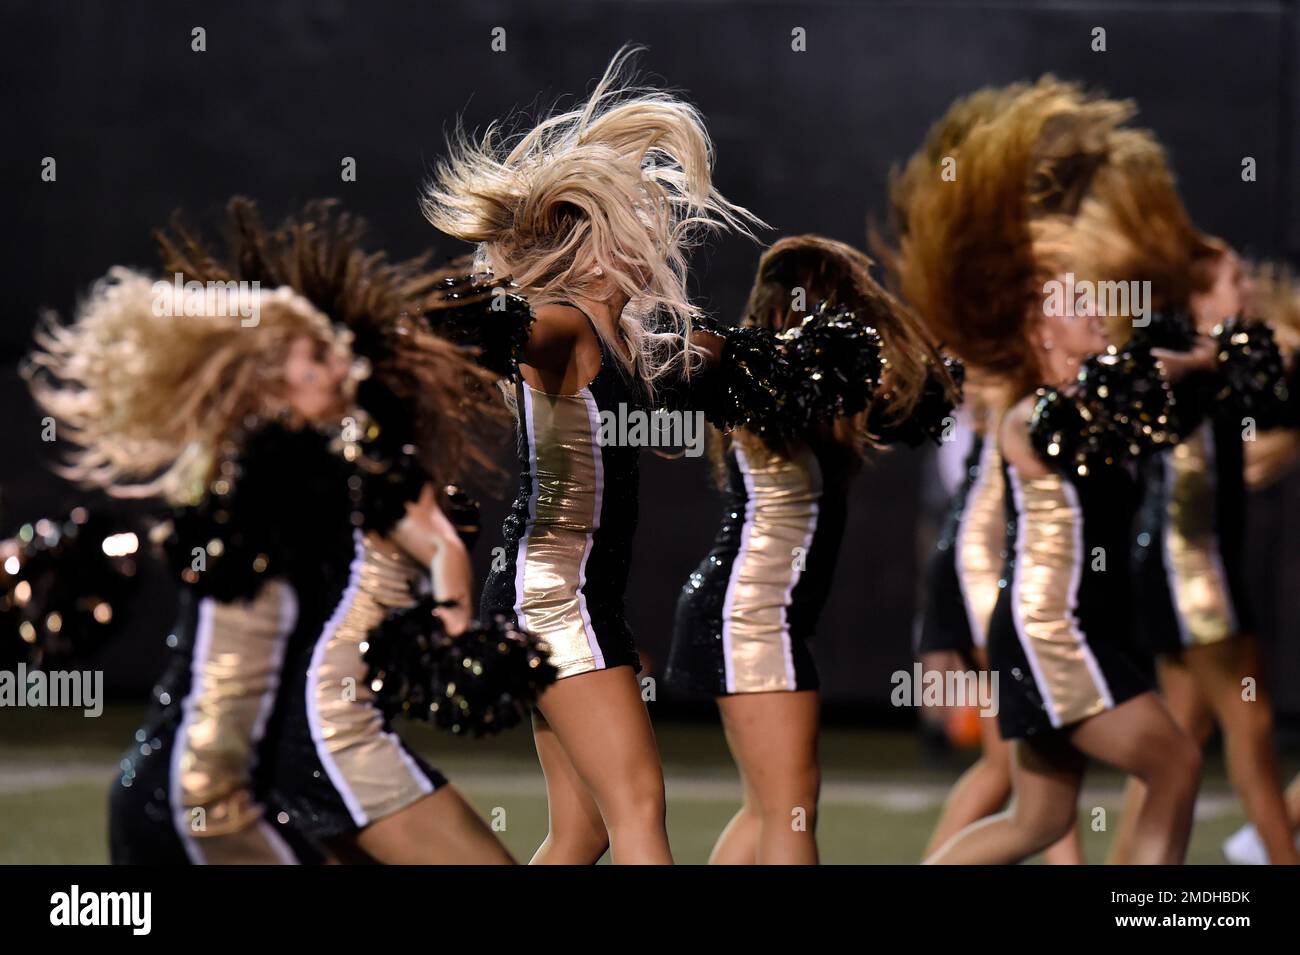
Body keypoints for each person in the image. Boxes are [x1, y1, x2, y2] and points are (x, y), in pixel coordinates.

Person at [28, 199, 549, 864]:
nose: (342, 365)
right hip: (202, 802)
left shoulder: (311, 475)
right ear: (268, 385)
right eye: (316, 359)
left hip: (217, 785)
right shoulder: (261, 482)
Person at [892, 81, 1204, 864]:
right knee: (1174, 760)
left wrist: (1209, 360)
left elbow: (1150, 379)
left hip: (1066, 626)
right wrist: (1209, 359)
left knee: (1035, 820)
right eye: (1077, 303)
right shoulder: (1033, 414)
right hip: (1050, 630)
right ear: (1037, 327)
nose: (1097, 313)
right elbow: (1141, 384)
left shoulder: (1086, 393)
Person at [666, 235, 958, 864]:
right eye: (845, 302)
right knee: (792, 808)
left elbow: (922, 394)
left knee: (774, 807)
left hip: (762, 612)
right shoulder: (757, 373)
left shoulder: (820, 386)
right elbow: (705, 354)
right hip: (751, 613)